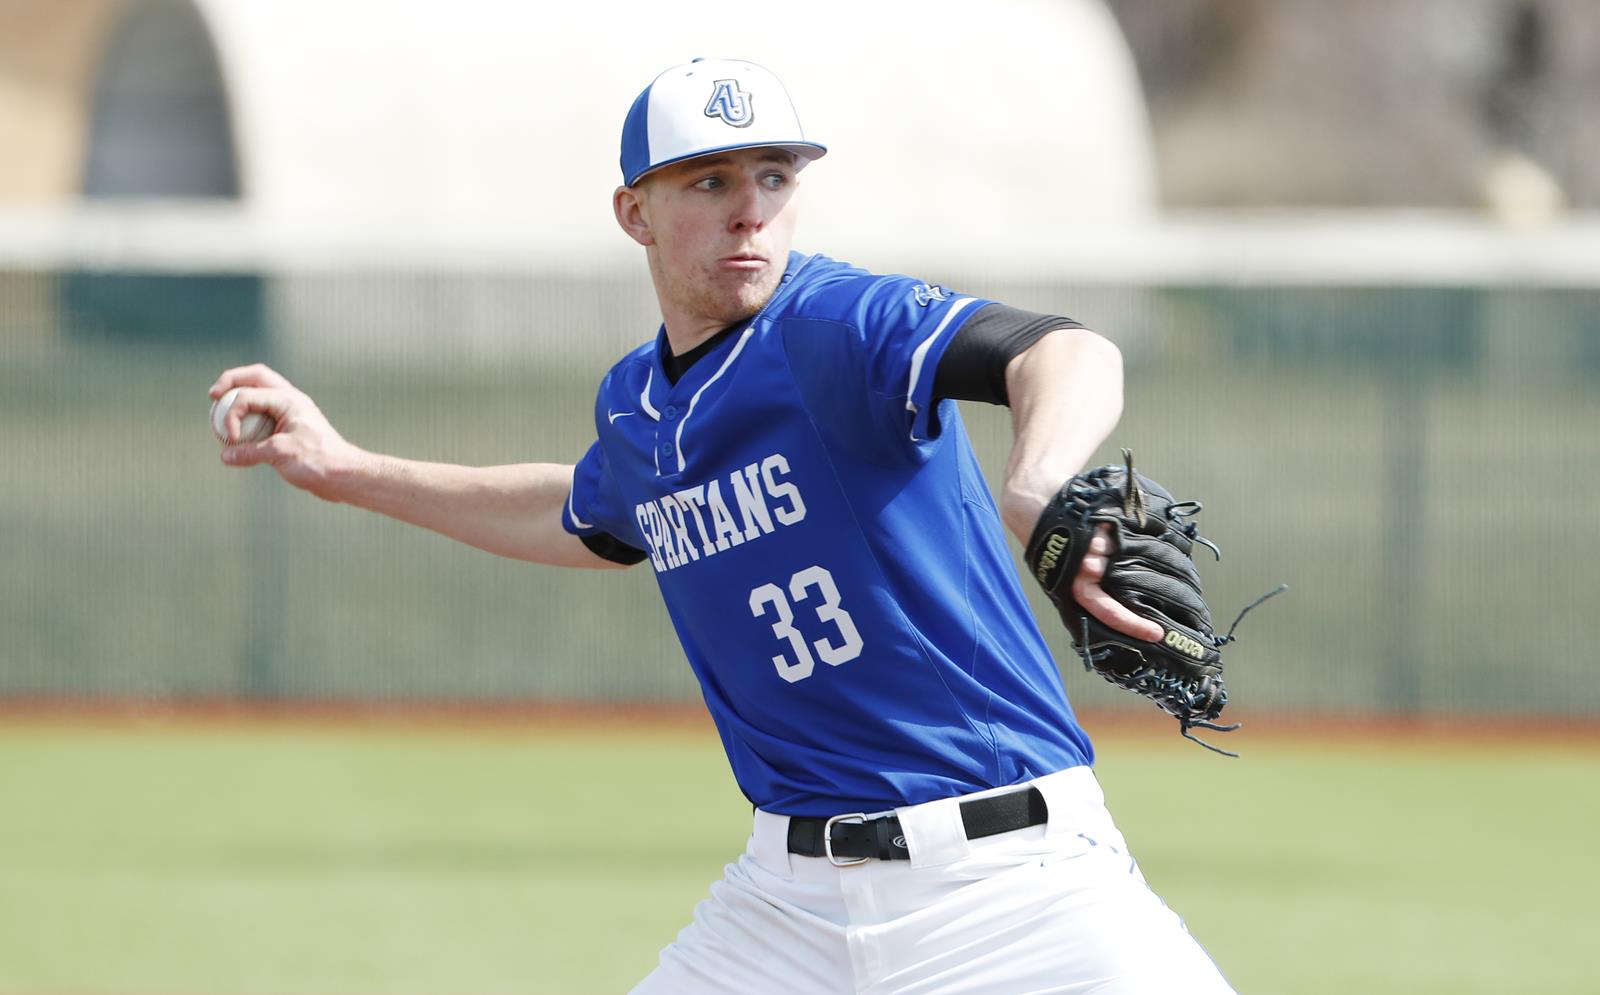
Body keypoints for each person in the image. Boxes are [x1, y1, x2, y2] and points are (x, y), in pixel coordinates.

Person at [211, 57, 1235, 994]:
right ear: (634, 212)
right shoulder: (636, 406)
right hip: (784, 909)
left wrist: (1037, 479)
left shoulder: (837, 326)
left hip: (1013, 886)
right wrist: (344, 469)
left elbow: (1061, 349)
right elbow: (582, 512)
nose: (750, 211)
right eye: (709, 182)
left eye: (774, 178)